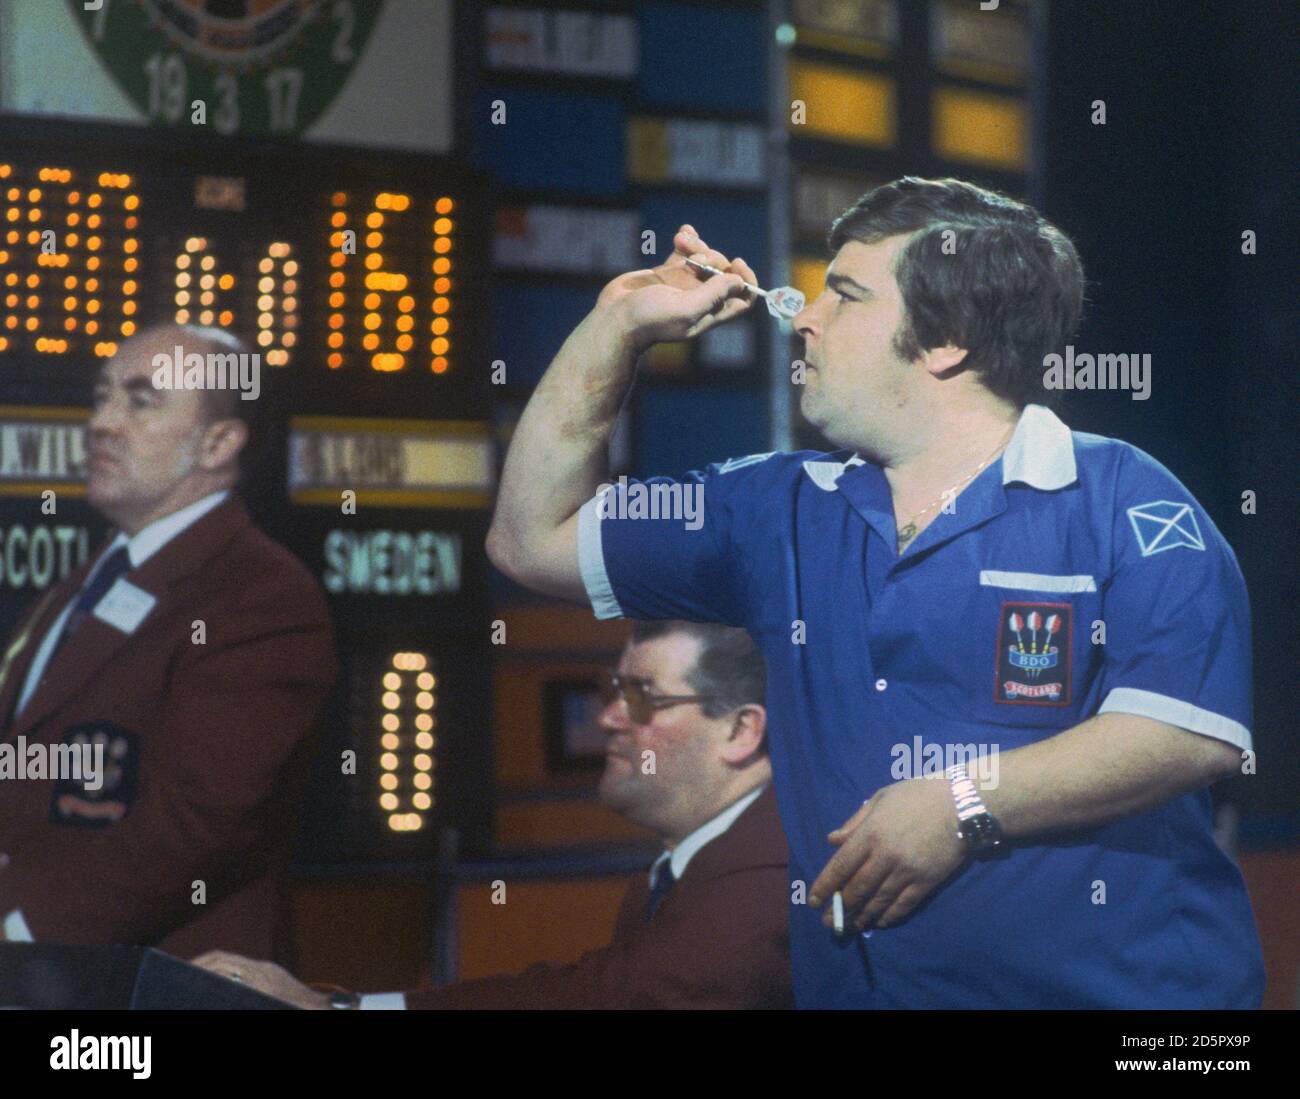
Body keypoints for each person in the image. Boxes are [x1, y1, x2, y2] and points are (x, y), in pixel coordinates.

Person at [484, 177, 1265, 1008]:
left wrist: (960, 802)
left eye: (846, 295)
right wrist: (618, 328)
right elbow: (529, 537)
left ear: (946, 341)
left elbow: (1189, 732)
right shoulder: (773, 508)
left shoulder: (1125, 501)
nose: (804, 316)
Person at [196, 620, 791, 1008]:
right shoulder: (686, 871)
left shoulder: (767, 874)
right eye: (614, 690)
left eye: (641, 697)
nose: (608, 716)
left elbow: (613, 1000)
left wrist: (337, 1009)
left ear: (740, 731)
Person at [0, 324, 336, 961]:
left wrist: (18, 929)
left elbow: (195, 828)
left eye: (140, 401)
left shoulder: (259, 597)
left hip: (150, 991)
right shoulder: (85, 581)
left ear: (217, 443)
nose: (102, 422)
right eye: (101, 397)